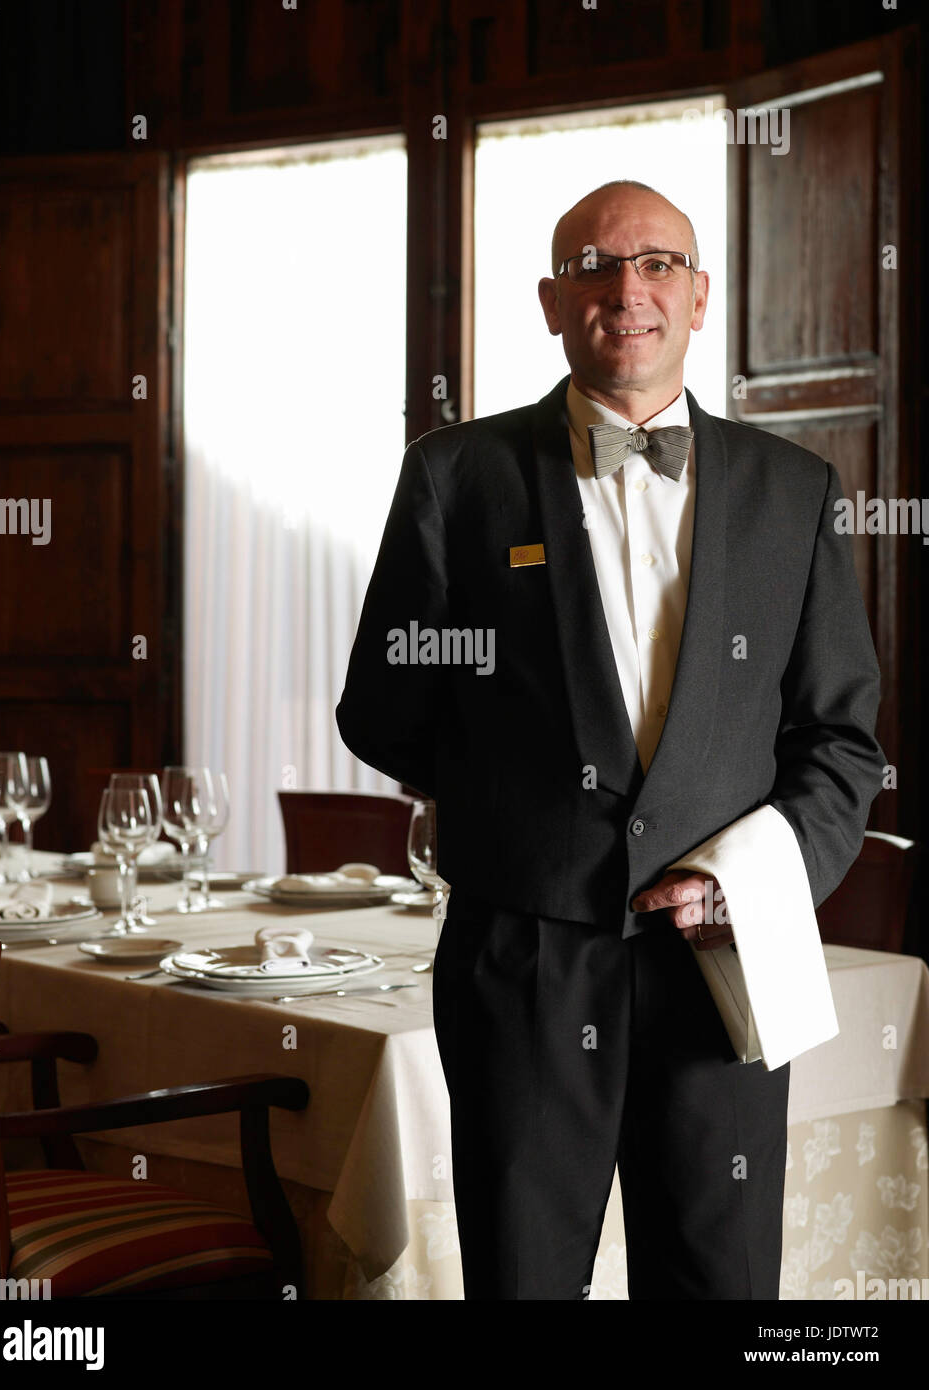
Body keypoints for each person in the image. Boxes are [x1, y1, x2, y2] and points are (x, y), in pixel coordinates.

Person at [335, 180, 883, 1300]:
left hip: (725, 961)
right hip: (522, 963)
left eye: (655, 264)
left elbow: (839, 741)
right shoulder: (454, 476)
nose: (624, 288)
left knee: (719, 1284)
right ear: (550, 300)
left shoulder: (796, 490)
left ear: (698, 295)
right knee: (523, 1283)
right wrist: (527, 811)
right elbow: (384, 704)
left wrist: (753, 875)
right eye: (592, 265)